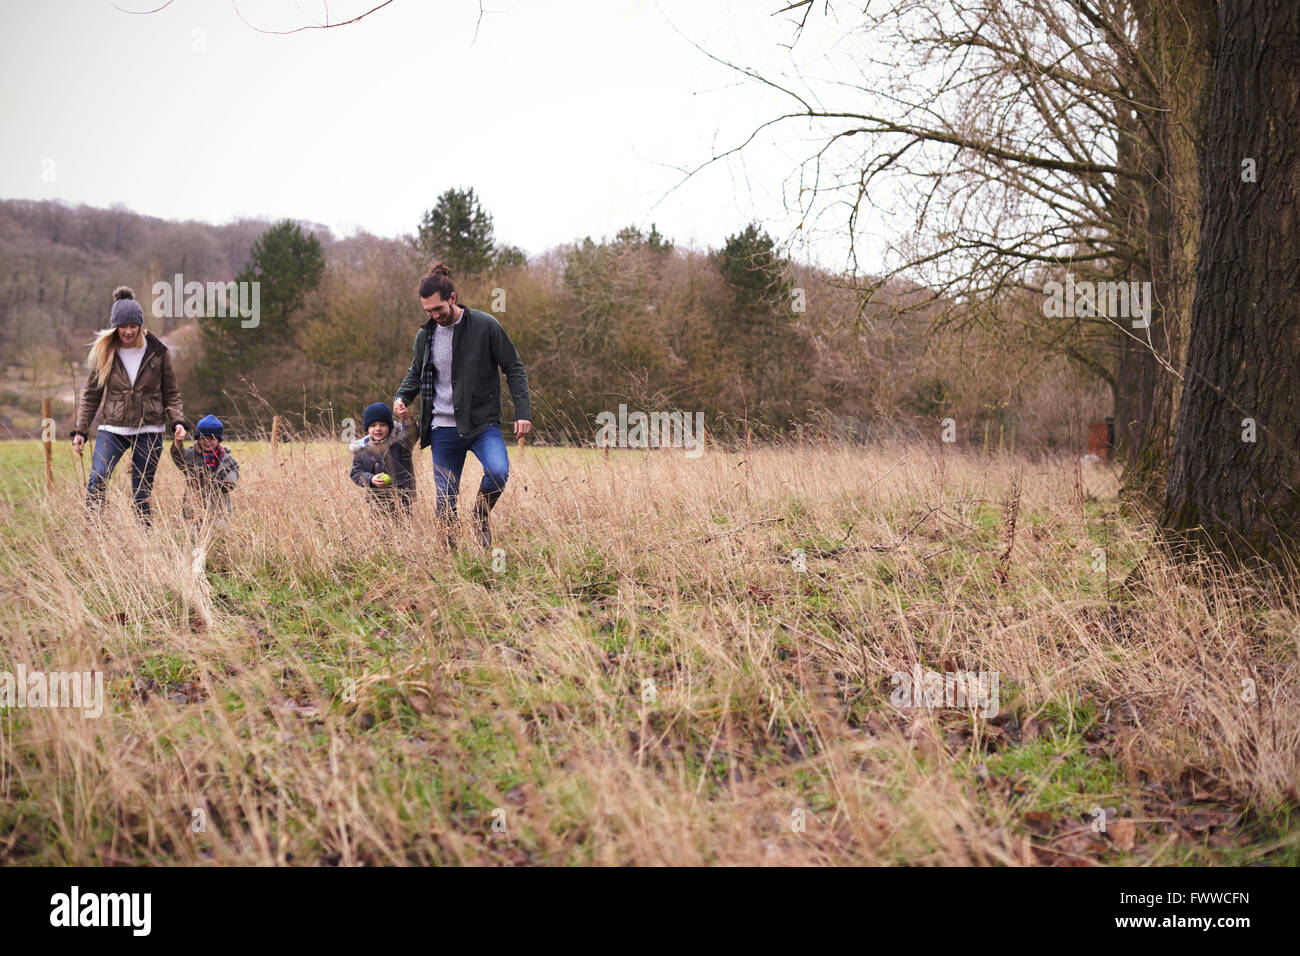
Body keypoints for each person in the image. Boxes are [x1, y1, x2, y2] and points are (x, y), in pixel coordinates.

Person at [393, 262, 531, 547]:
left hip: (482, 424)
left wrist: (523, 413)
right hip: (442, 428)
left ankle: (480, 515)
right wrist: (402, 398)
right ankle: (450, 564)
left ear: (452, 299)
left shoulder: (485, 326)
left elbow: (514, 367)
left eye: (438, 309)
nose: (434, 316)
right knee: (444, 504)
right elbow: (416, 372)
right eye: (428, 311)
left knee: (498, 472)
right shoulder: (425, 336)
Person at [71, 286, 186, 523]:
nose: (128, 331)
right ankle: (93, 530)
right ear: (115, 327)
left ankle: (143, 538)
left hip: (150, 430)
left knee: (141, 492)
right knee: (98, 477)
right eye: (123, 326)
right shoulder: (104, 352)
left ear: (140, 325)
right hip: (113, 429)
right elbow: (91, 394)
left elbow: (171, 392)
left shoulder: (158, 352)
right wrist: (81, 430)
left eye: (133, 326)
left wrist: (177, 421)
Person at [349, 401, 417, 516]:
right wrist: (371, 479)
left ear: (390, 427)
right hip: (376, 500)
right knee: (381, 531)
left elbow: (411, 433)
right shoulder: (362, 450)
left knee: (404, 529)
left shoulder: (401, 444)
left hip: (402, 498)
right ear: (367, 428)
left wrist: (406, 418)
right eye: (373, 425)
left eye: (383, 424)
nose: (378, 429)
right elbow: (356, 472)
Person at [171, 414, 239, 520]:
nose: (207, 442)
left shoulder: (226, 459)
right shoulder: (191, 455)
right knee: (194, 531)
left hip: (219, 505)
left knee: (220, 529)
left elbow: (233, 470)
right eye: (203, 438)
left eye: (211, 438)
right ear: (198, 438)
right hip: (193, 504)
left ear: (219, 440)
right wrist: (177, 444)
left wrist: (229, 482)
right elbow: (178, 457)